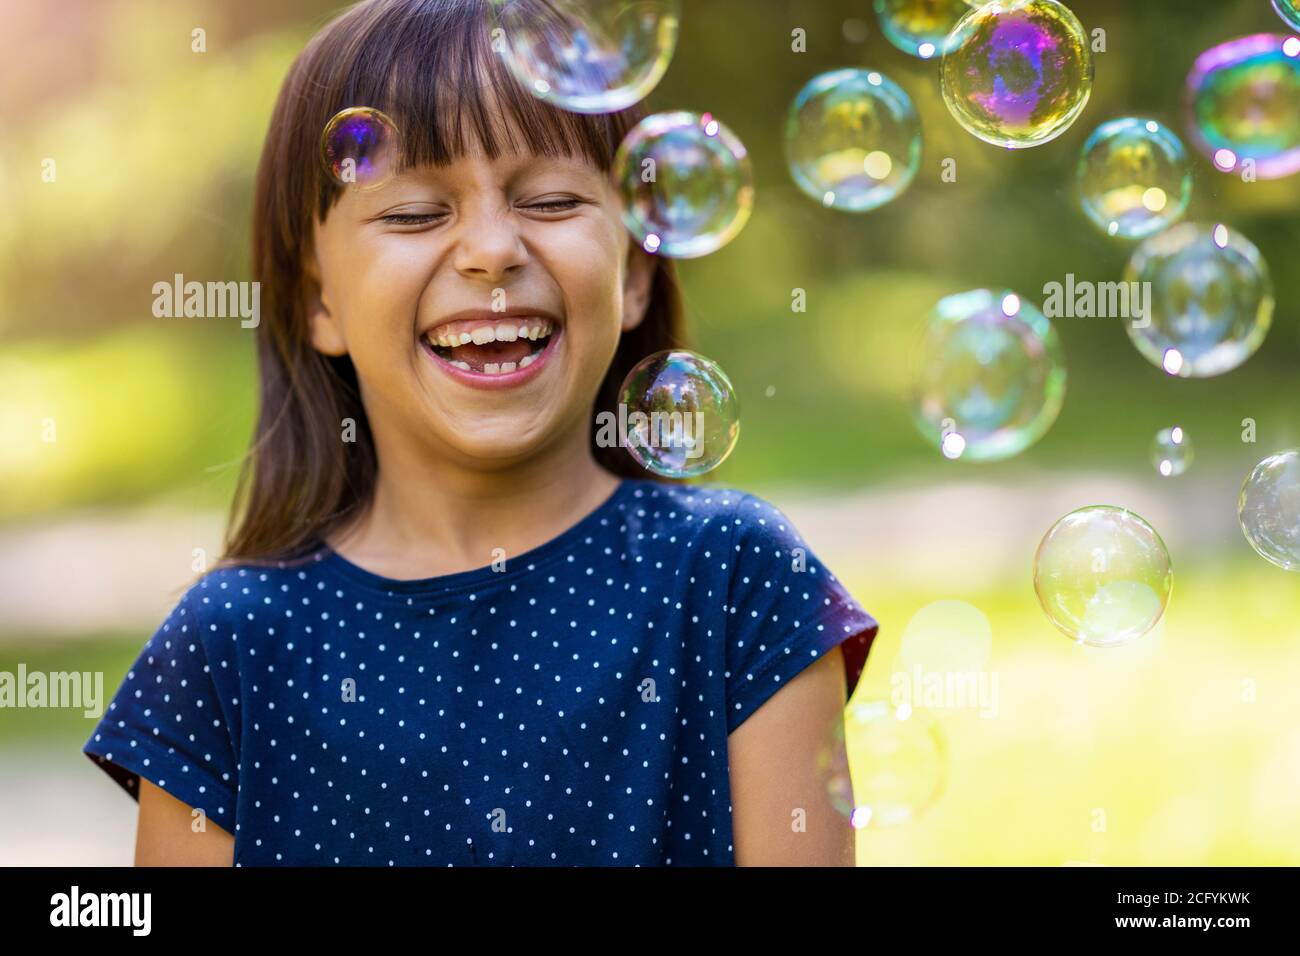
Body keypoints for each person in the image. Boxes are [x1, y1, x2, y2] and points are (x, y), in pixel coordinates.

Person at [83, 0, 878, 866]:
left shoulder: (738, 584)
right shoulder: (228, 648)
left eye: (550, 199)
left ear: (637, 271)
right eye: (415, 214)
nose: (491, 250)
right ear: (318, 299)